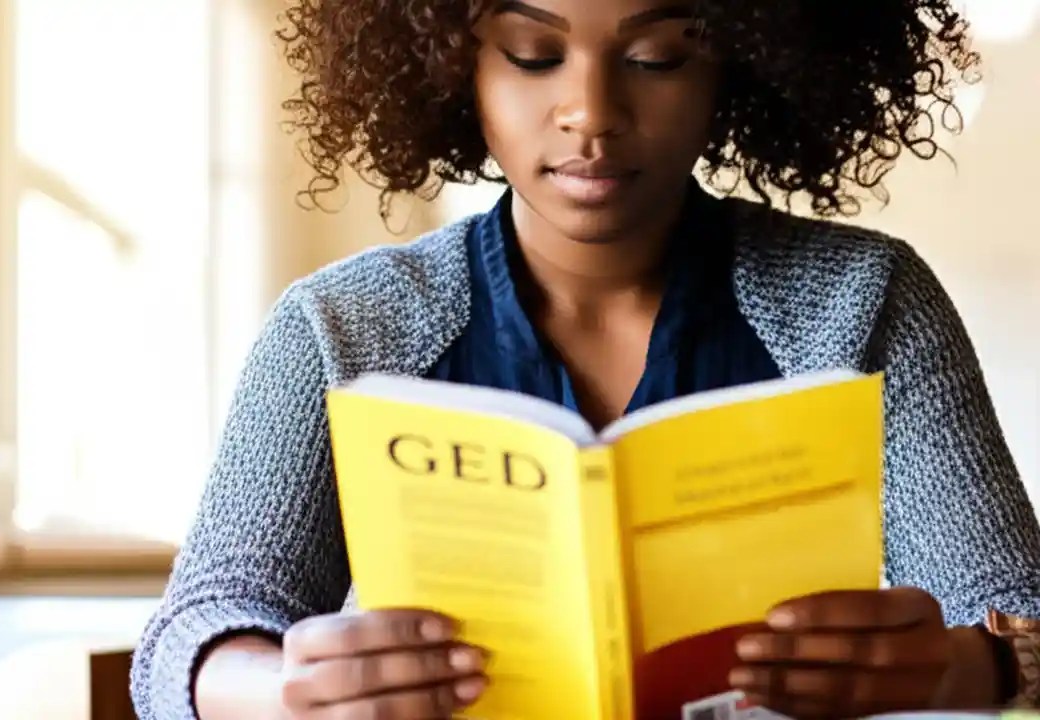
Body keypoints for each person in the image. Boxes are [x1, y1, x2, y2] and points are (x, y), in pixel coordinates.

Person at [132, 0, 1040, 718]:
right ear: (456, 63)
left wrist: (964, 666)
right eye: (533, 52)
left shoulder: (865, 303)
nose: (592, 115)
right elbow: (190, 636)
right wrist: (281, 688)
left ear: (743, 59)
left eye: (657, 57)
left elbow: (1021, 619)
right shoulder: (338, 329)